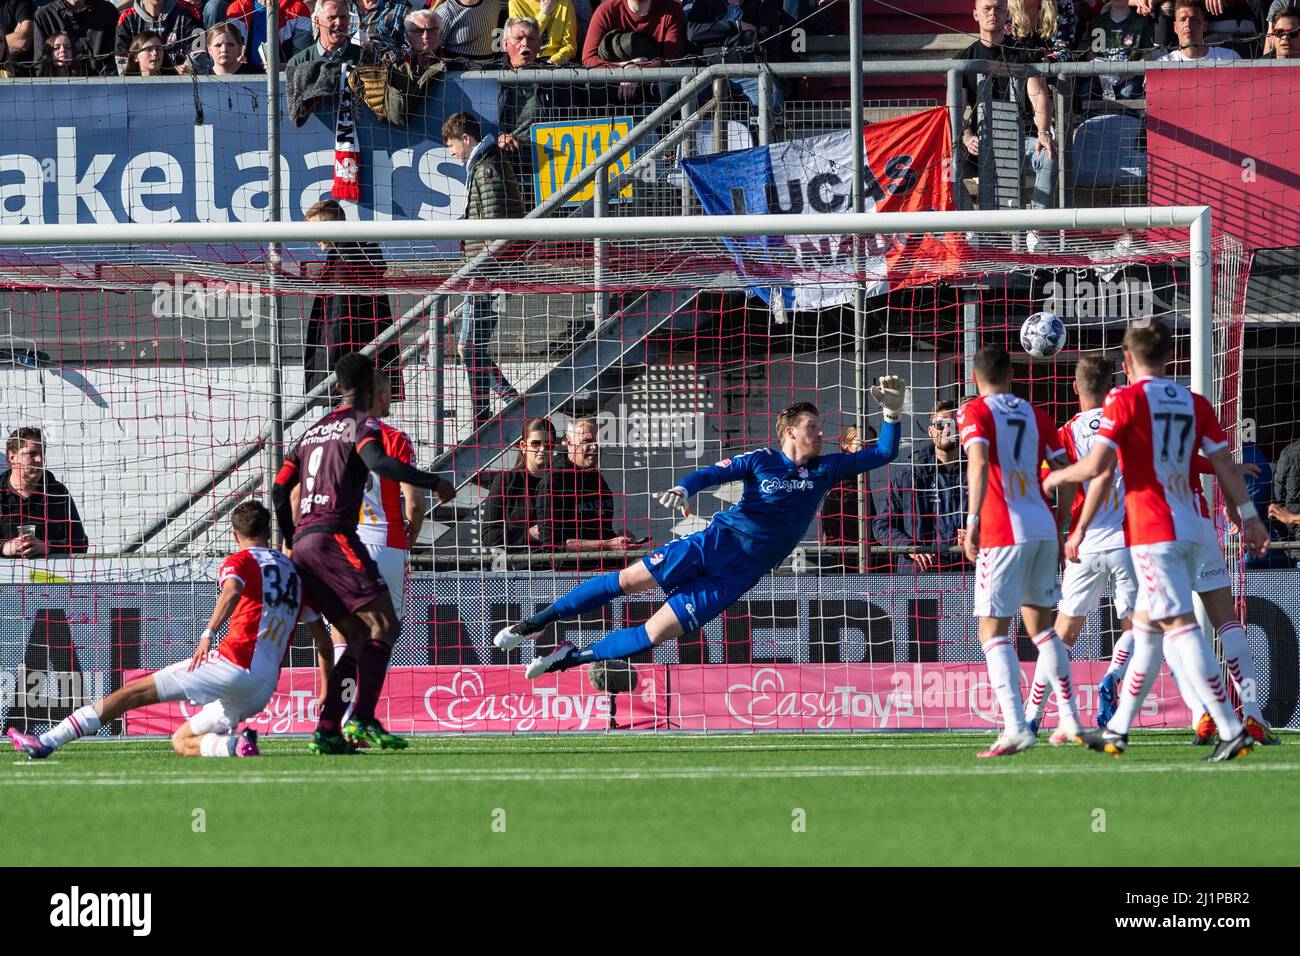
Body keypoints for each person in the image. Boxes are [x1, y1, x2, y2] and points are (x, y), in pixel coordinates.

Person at [495, 379, 908, 678]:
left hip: (742, 573)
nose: (821, 434)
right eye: (812, 427)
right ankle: (536, 622)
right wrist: (683, 486)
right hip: (714, 543)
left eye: (819, 429)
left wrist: (892, 412)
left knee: (655, 633)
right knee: (627, 580)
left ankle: (568, 658)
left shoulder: (826, 469)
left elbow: (884, 451)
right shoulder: (761, 460)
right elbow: (710, 473)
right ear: (789, 432)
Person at [1043, 319, 1270, 762]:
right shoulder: (1194, 401)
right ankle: (1117, 730)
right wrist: (1250, 517)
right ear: (1169, 357)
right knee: (1146, 631)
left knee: (1180, 628)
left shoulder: (1123, 401)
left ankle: (1229, 726)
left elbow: (1098, 468)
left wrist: (1058, 479)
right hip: (1193, 526)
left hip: (1153, 530)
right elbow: (1222, 463)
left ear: (1127, 360)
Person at [8, 501, 328, 760]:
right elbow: (323, 643)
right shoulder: (296, 576)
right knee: (182, 739)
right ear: (267, 531)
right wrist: (326, 690)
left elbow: (231, 590)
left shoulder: (240, 560)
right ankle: (235, 745)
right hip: (261, 688)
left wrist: (208, 633)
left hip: (232, 664)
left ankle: (47, 741)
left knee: (130, 694)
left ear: (234, 534)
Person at [272, 353, 454, 754]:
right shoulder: (363, 425)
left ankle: (327, 729)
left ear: (336, 387)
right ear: (372, 391)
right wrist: (434, 481)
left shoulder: (309, 433)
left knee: (355, 635)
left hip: (304, 543)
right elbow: (377, 462)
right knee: (385, 625)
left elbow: (277, 491)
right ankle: (363, 718)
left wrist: (290, 538)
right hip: (336, 536)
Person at [958, 347, 1078, 757]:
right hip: (1043, 527)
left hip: (1002, 527)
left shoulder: (974, 411)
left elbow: (977, 463)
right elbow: (1065, 475)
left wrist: (972, 521)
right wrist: (1062, 526)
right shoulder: (1036, 413)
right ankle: (1070, 718)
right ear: (1011, 375)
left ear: (975, 377)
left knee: (992, 632)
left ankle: (1016, 727)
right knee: (1043, 631)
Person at [1020, 354, 1135, 736]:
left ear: (1075, 388)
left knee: (1060, 634)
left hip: (1082, 546)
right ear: (1112, 386)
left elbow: (1065, 482)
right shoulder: (1127, 425)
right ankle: (1114, 675)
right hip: (1128, 540)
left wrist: (1064, 527)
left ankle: (1032, 715)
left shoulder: (1067, 432)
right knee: (1135, 626)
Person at [314, 373, 434, 696]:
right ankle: (360, 715)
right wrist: (412, 534)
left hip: (342, 543)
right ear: (379, 396)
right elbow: (416, 503)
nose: (393, 399)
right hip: (387, 543)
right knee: (380, 635)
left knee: (343, 634)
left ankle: (340, 712)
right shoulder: (394, 439)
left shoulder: (330, 437)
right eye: (390, 394)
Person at [443, 110, 524, 428]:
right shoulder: (483, 163)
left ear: (465, 139)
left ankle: (505, 404)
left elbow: (495, 219)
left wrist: (482, 272)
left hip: (491, 273)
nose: (451, 153)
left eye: (451, 145)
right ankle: (484, 413)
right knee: (470, 346)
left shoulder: (487, 166)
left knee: (468, 346)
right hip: (485, 271)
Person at [958, 0, 1058, 234]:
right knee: (945, 166)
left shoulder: (1023, 54)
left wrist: (1044, 133)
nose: (993, 13)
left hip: (1021, 140)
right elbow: (954, 108)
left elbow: (1039, 95)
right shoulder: (963, 60)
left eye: (999, 9)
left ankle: (1036, 230)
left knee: (1049, 155)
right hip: (980, 144)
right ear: (976, 15)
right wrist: (965, 136)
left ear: (1007, 15)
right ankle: (972, 229)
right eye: (987, 8)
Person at [302, 199, 403, 401]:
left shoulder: (346, 260)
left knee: (348, 424)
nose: (312, 237)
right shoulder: (347, 256)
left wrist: (332, 373)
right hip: (357, 371)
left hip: (348, 374)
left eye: (315, 229)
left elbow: (340, 325)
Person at [873, 401, 968, 572]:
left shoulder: (977, 474)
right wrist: (910, 547)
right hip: (919, 577)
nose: (946, 429)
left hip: (965, 573)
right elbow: (881, 525)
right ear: (931, 431)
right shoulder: (910, 476)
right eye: (940, 425)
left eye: (952, 424)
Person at [534, 416, 637, 553]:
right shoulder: (554, 483)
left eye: (597, 441)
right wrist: (608, 544)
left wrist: (619, 539)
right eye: (587, 441)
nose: (594, 446)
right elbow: (552, 545)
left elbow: (598, 531)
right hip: (571, 571)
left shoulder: (596, 478)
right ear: (569, 443)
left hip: (605, 566)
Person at [0, 427, 89, 559]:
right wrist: (5, 548)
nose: (39, 459)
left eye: (42, 453)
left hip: (50, 576)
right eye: (32, 453)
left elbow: (81, 543)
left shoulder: (57, 493)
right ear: (12, 457)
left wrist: (48, 547)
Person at [685, 0, 784, 114]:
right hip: (706, 74)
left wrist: (717, 39)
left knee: (772, 98)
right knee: (684, 100)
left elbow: (765, 39)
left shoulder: (763, 3)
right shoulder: (704, 3)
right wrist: (736, 26)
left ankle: (748, 131)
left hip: (748, 73)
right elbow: (694, 33)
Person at [582, 0, 686, 105]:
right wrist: (623, 68)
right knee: (596, 86)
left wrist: (640, 69)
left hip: (654, 80)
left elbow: (673, 58)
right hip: (616, 80)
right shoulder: (606, 10)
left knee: (669, 86)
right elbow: (589, 58)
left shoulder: (672, 8)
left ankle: (664, 121)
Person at [481, 417, 557, 550]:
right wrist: (528, 534)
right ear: (523, 446)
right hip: (522, 565)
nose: (542, 449)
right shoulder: (506, 481)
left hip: (560, 564)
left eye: (548, 444)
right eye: (536, 444)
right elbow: (488, 535)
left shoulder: (561, 481)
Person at [820, 424, 883, 572]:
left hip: (862, 559)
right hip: (848, 564)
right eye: (862, 442)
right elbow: (832, 533)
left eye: (871, 443)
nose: (867, 448)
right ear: (846, 445)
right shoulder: (842, 485)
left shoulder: (860, 479)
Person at [1078, 0, 1153, 100]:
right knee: (1086, 90)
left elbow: (1147, 55)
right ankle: (1086, 116)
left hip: (1129, 78)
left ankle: (1128, 116)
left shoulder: (1141, 22)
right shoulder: (1098, 22)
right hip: (1100, 78)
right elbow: (1091, 54)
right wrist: (1102, 73)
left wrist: (1131, 74)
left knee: (1128, 92)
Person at [32, 0, 119, 75]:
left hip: (102, 87)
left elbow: (114, 59)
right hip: (58, 87)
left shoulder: (107, 12)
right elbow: (41, 65)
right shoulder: (44, 16)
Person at [115, 0, 203, 73]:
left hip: (183, 85)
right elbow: (122, 61)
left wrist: (182, 71)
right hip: (140, 87)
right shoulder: (126, 18)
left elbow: (199, 53)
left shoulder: (190, 13)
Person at [223, 0, 312, 70]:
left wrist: (284, 67)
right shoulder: (236, 9)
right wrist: (235, 64)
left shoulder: (298, 8)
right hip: (244, 75)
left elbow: (303, 59)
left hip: (284, 77)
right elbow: (228, 57)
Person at [1150, 0, 1241, 59]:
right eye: (1182, 20)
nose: (1188, 25)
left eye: (1194, 19)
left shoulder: (1229, 58)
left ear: (1205, 25)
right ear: (1175, 27)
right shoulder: (1163, 65)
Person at [430, 0, 503, 65]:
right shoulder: (446, 11)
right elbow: (434, 49)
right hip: (457, 74)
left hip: (490, 71)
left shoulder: (494, 3)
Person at [286, 0, 360, 65]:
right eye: (332, 17)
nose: (339, 22)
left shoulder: (364, 58)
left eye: (343, 17)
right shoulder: (298, 63)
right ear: (317, 21)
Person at [507, 0, 577, 64]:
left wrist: (553, 62)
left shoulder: (565, 4)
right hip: (526, 57)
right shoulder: (516, 2)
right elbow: (520, 39)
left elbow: (570, 46)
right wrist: (544, 14)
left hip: (553, 60)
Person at [1008, 0, 1078, 60]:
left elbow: (1064, 45)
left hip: (1052, 70)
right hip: (1011, 67)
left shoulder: (1063, 3)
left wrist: (1047, 63)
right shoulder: (1003, 5)